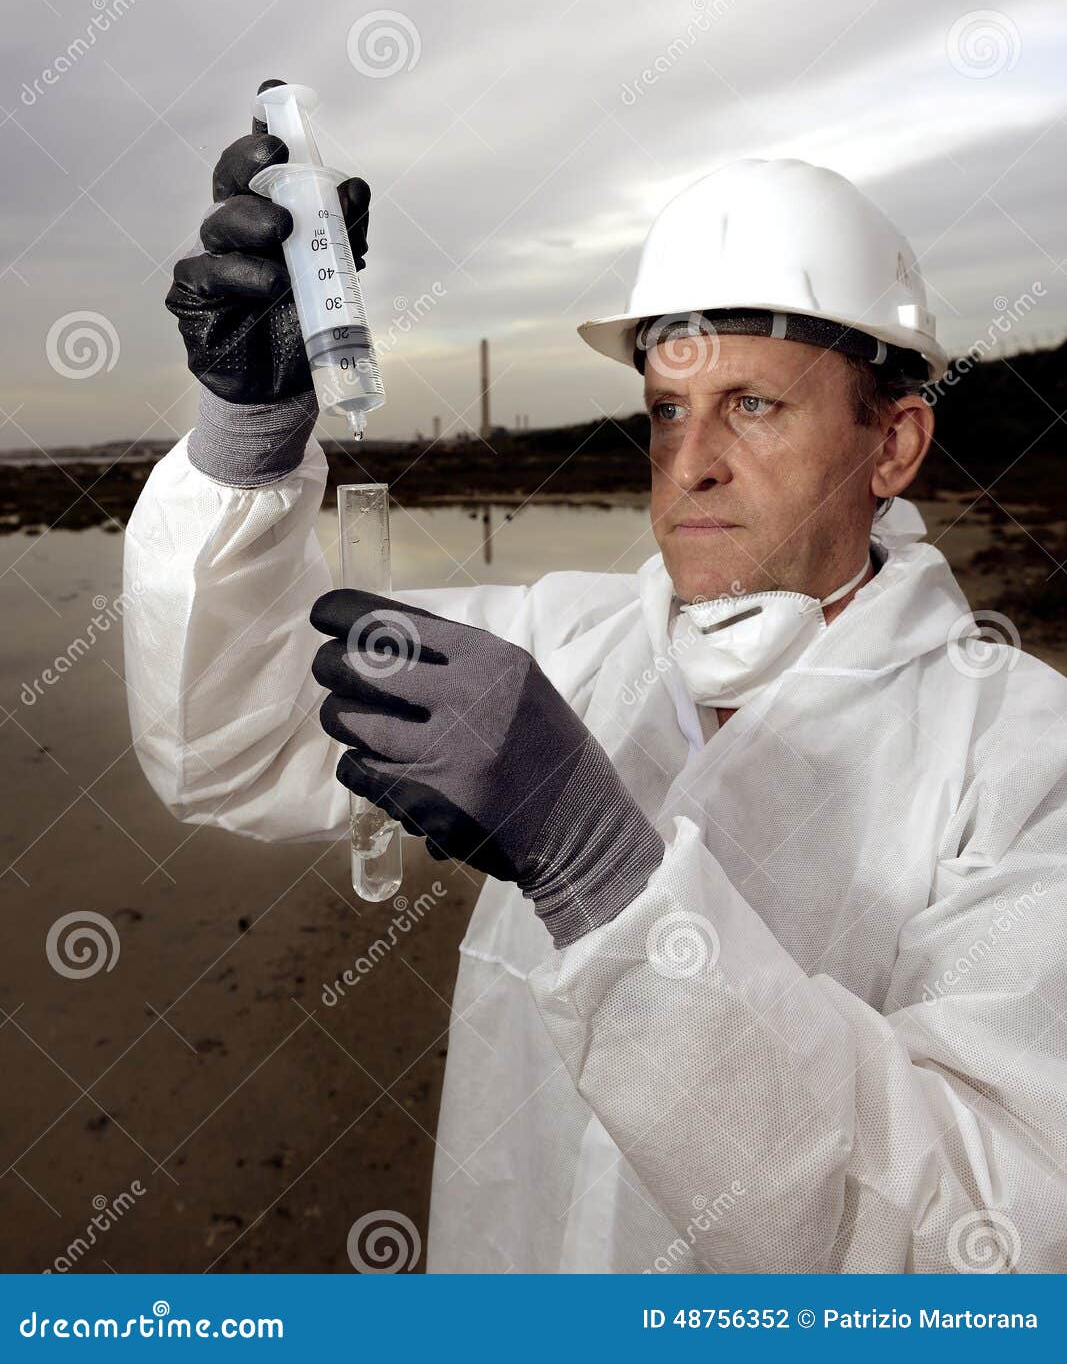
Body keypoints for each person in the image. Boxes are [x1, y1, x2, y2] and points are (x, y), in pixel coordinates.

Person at [124, 88, 1067, 1274]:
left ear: (892, 444)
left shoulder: (1021, 758)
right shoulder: (559, 645)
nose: (693, 463)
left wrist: (602, 874)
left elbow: (980, 1250)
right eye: (666, 410)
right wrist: (246, 435)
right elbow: (230, 744)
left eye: (754, 407)